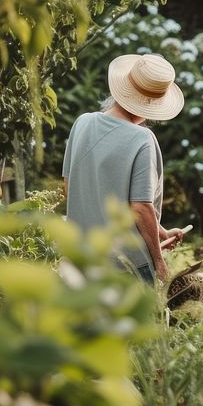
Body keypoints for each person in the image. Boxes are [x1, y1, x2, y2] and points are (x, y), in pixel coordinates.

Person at [62, 53, 185, 283]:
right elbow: (140, 207)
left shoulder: (82, 123)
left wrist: (160, 232)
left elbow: (71, 189)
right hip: (125, 267)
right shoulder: (142, 139)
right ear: (151, 105)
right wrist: (159, 261)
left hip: (78, 261)